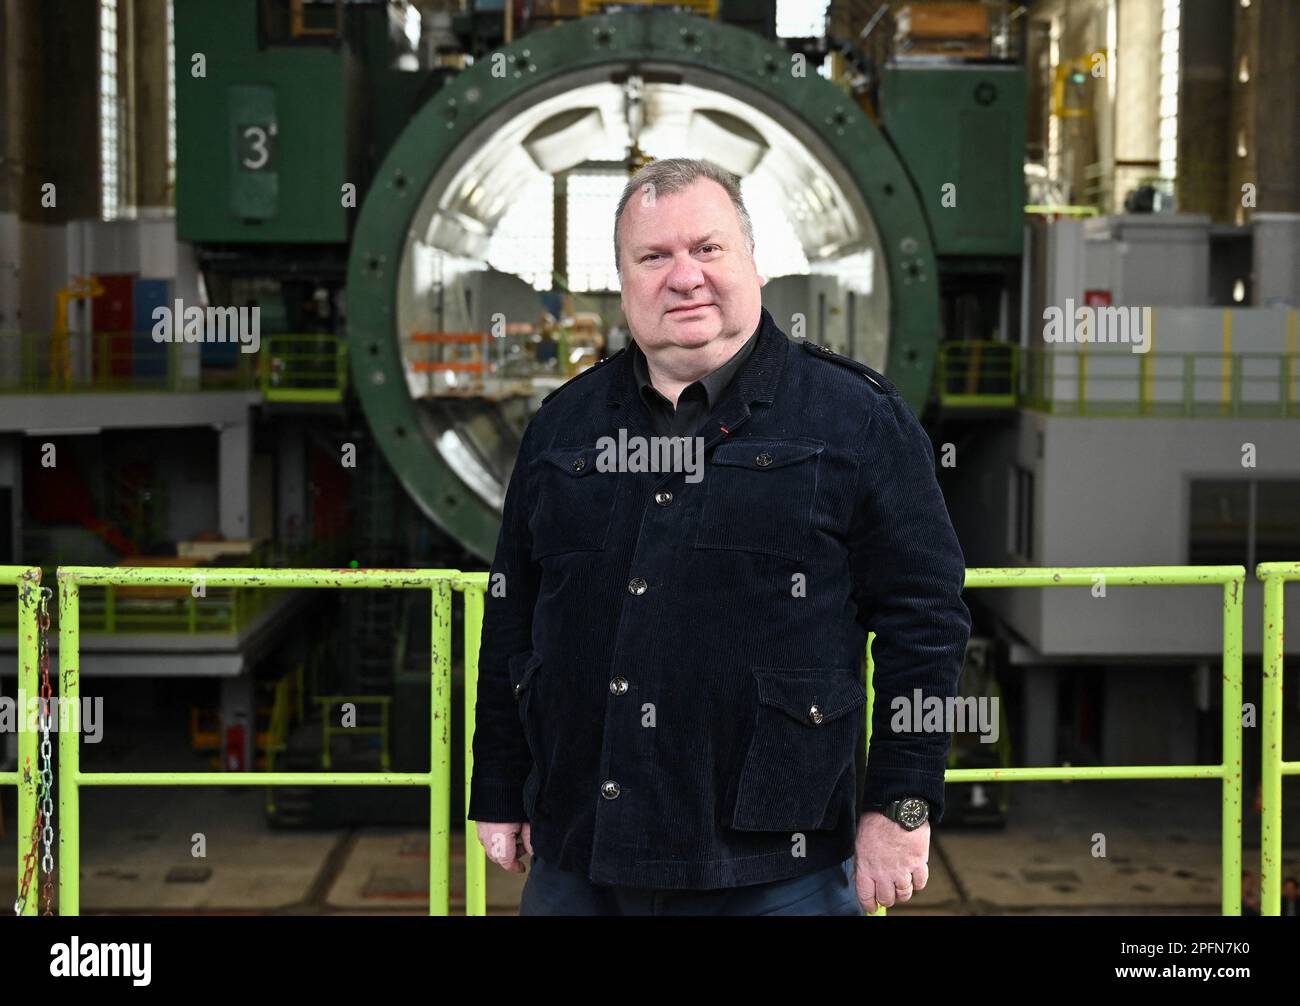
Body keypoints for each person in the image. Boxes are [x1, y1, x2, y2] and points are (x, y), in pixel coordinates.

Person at [467, 157, 971, 916]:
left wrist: (901, 805)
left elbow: (925, 620)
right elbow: (515, 617)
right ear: (623, 280)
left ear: (753, 264)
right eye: (654, 256)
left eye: (708, 248)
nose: (685, 276)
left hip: (774, 863)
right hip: (581, 850)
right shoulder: (562, 427)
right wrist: (500, 786)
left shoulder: (853, 418)